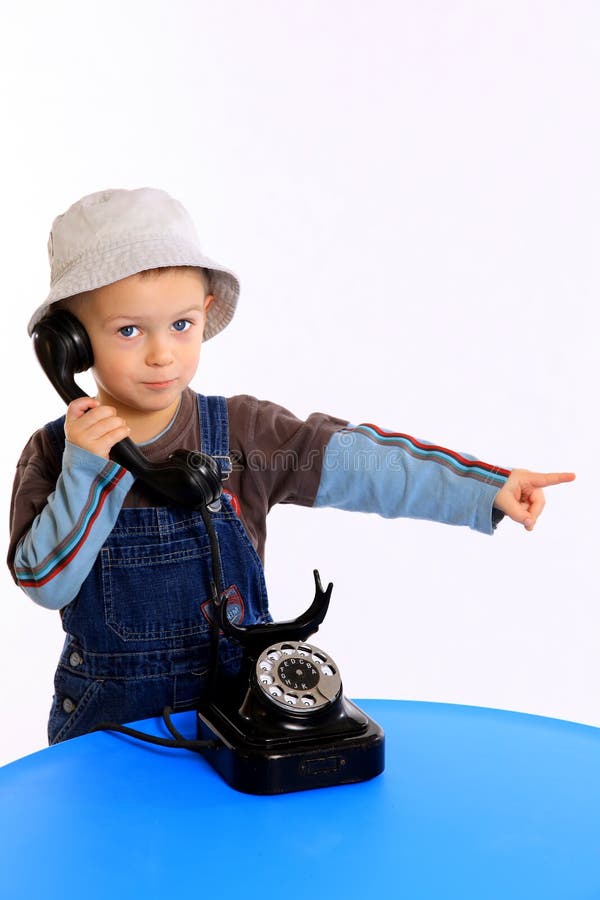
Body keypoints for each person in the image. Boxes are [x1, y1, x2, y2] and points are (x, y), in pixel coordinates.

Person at [7, 187, 575, 745]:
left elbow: (359, 461)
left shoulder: (245, 434)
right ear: (71, 346)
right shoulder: (57, 454)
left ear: (205, 314)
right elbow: (45, 583)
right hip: (109, 735)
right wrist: (89, 470)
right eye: (129, 331)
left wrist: (481, 488)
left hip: (241, 720)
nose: (162, 354)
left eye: (181, 325)